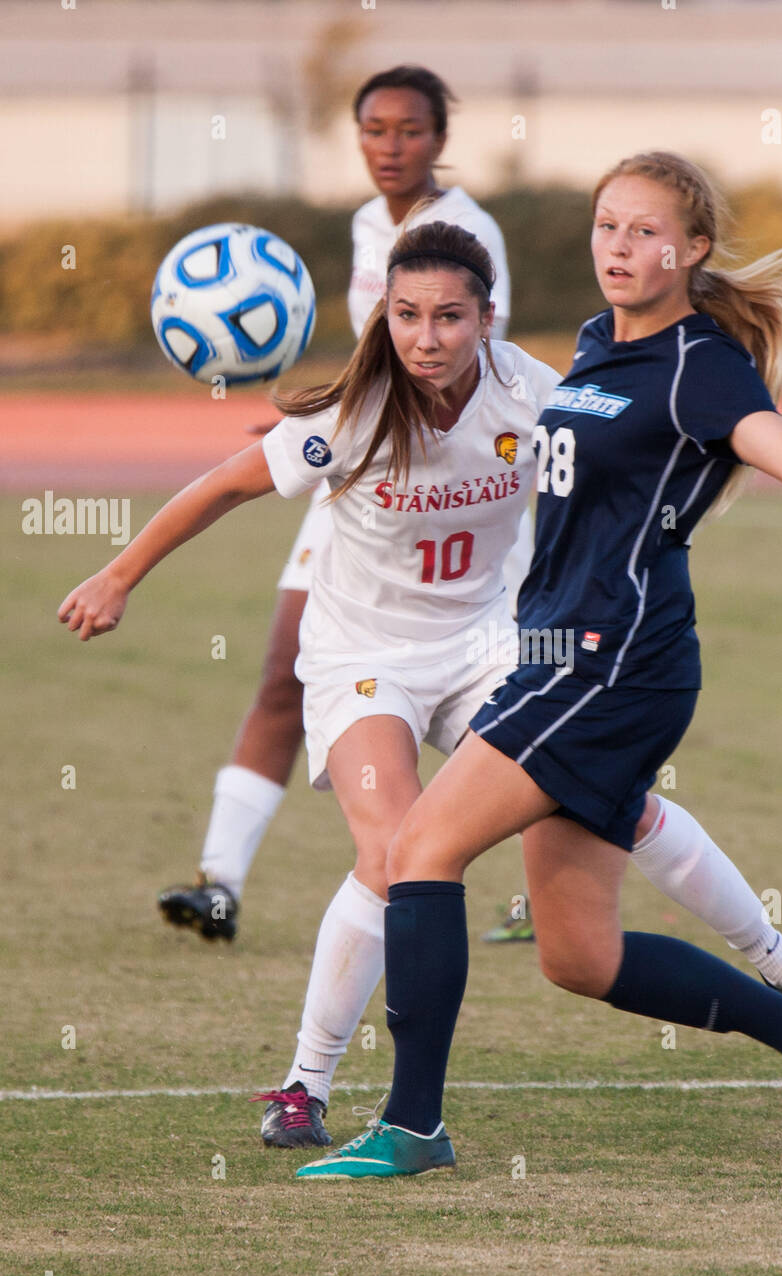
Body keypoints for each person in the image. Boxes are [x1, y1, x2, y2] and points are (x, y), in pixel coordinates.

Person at [60, 216, 782, 1158]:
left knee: (619, 810)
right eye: (407, 314)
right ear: (386, 316)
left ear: (488, 318)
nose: (427, 336)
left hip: (495, 645)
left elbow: (637, 453)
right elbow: (220, 486)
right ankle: (306, 1084)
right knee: (394, 851)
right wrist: (119, 574)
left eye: (450, 316)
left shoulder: (536, 395)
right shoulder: (351, 415)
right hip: (365, 660)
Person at [293, 151, 782, 1180]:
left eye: (642, 231)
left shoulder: (699, 365)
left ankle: (411, 1125)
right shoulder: (592, 343)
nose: (618, 248)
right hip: (566, 654)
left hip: (608, 665)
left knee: (419, 850)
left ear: (693, 248)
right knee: (577, 957)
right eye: (606, 226)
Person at [157, 65, 517, 945]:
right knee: (286, 667)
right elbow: (378, 362)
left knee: (496, 714)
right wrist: (321, 417)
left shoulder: (465, 231)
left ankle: (525, 875)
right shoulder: (368, 225)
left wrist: (354, 427)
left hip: (441, 499)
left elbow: (468, 379)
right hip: (357, 477)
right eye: (374, 129)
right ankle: (221, 880)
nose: (390, 147)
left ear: (440, 138)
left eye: (409, 130)